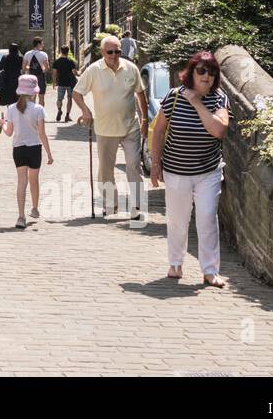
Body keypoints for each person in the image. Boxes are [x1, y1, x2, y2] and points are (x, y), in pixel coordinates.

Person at [149, 51, 230, 287]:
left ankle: (210, 270)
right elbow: (159, 130)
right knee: (177, 220)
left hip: (208, 171)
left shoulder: (219, 99)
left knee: (206, 218)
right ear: (191, 72)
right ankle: (175, 263)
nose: (206, 76)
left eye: (211, 72)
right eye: (201, 71)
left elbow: (219, 130)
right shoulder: (174, 96)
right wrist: (156, 163)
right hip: (176, 170)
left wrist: (196, 102)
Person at [72, 34, 149, 218]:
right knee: (106, 169)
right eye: (110, 52)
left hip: (130, 126)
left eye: (117, 51)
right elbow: (76, 93)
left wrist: (145, 119)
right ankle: (110, 204)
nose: (114, 55)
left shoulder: (131, 68)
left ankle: (137, 206)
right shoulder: (93, 70)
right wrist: (85, 111)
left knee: (133, 165)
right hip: (105, 128)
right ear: (102, 52)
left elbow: (141, 95)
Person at [3, 75, 54, 229]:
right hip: (34, 148)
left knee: (21, 182)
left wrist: (2, 124)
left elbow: (8, 133)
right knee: (34, 180)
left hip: (18, 149)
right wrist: (49, 154)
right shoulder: (38, 109)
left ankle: (20, 216)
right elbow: (42, 133)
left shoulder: (11, 109)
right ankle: (35, 208)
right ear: (33, 92)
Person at [51, 45, 79, 122]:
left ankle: (59, 110)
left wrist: (54, 83)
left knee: (59, 99)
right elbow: (75, 72)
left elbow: (54, 73)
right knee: (69, 98)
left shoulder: (56, 62)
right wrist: (79, 74)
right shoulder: (70, 62)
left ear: (61, 51)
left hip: (60, 82)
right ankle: (67, 115)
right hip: (70, 83)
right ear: (68, 52)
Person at [22, 37, 50, 106]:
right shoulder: (43, 54)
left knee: (32, 97)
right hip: (40, 77)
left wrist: (29, 68)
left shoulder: (27, 54)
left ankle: (33, 114)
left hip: (30, 77)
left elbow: (23, 68)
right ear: (38, 44)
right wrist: (43, 69)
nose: (43, 45)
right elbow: (47, 68)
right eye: (42, 44)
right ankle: (40, 114)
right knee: (41, 98)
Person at [0, 43, 23, 108]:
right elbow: (22, 67)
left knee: (8, 98)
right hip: (17, 79)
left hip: (7, 79)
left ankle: (9, 113)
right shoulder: (20, 58)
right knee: (16, 96)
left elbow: (0, 67)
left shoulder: (5, 57)